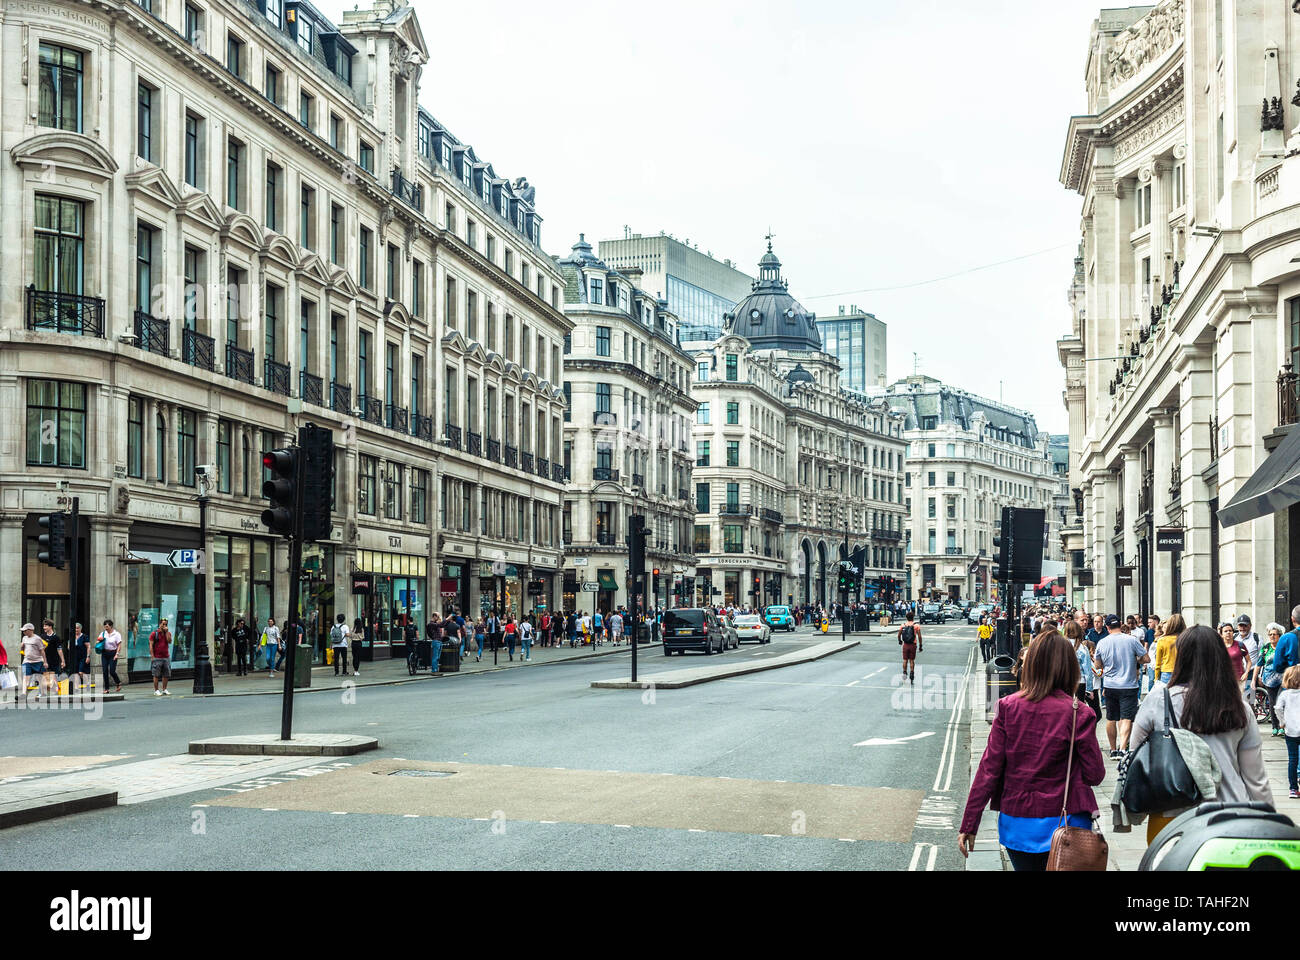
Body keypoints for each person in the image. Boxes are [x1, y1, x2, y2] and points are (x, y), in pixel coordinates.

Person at [959, 631, 1105, 871]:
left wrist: (969, 823)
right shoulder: (1079, 713)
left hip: (1018, 823)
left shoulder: (1007, 707)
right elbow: (1095, 775)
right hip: (1068, 822)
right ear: (1069, 668)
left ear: (1032, 665)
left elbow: (989, 769)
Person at [1129, 625, 1273, 842]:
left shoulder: (1158, 701)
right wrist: (1269, 824)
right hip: (1231, 815)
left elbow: (1134, 754)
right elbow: (1255, 778)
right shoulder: (1239, 707)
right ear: (1220, 658)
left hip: (1172, 818)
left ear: (1181, 656)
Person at [1093, 613, 1149, 758]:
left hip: (1110, 685)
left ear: (1107, 627)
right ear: (1120, 624)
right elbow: (1146, 658)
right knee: (1126, 718)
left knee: (1111, 718)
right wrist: (1133, 660)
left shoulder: (1102, 643)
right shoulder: (1132, 640)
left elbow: (1098, 665)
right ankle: (1123, 748)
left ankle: (1112, 750)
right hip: (1129, 685)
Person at [1274, 666, 1300, 799]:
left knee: (1292, 759)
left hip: (1291, 731)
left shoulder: (1284, 694)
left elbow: (1277, 708)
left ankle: (1293, 789)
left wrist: (1282, 722)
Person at [1257, 623, 1285, 737]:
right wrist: (1256, 678)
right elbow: (1259, 664)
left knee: (1280, 703)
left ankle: (1282, 727)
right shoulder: (1266, 648)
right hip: (1269, 680)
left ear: (1279, 635)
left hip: (1282, 679)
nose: (1272, 636)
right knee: (1273, 704)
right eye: (1270, 634)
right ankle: (1274, 727)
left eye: (1274, 634)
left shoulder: (1283, 647)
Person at [1064, 619, 1096, 716]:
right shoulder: (1082, 648)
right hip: (1080, 682)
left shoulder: (1060, 646)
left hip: (1064, 681)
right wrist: (1090, 689)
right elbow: (1087, 671)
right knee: (1079, 711)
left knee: (1065, 709)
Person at [1152, 613, 1185, 685]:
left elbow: (1158, 663)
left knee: (1167, 695)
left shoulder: (1162, 640)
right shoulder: (1186, 639)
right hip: (1183, 672)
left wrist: (1156, 679)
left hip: (1166, 672)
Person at [20, 623, 47, 700]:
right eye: (23, 631)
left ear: (30, 630)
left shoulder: (37, 639)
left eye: (25, 631)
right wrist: (22, 647)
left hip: (37, 661)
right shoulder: (24, 638)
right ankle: (23, 694)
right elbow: (22, 649)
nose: (24, 632)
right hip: (27, 661)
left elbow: (42, 651)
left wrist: (45, 662)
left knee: (39, 678)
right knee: (26, 678)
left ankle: (42, 692)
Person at [1219, 621, 1251, 685]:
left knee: (1242, 695)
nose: (1228, 632)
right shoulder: (1218, 646)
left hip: (1239, 680)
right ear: (1221, 634)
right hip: (1223, 681)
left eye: (1230, 630)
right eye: (1225, 631)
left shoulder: (1240, 645)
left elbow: (1249, 661)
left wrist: (1246, 673)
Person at [40, 619, 64, 697]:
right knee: (45, 676)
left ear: (50, 627)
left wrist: (63, 661)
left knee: (54, 676)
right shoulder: (42, 636)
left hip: (54, 660)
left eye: (46, 626)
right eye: (44, 626)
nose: (44, 627)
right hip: (44, 660)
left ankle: (56, 691)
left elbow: (59, 650)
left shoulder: (56, 637)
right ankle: (44, 692)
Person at [149, 617, 172, 696]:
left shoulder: (168, 633)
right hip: (157, 657)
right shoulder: (154, 633)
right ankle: (156, 690)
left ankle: (164, 689)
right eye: (163, 624)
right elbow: (151, 645)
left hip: (166, 656)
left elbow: (169, 641)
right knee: (156, 674)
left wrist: (166, 632)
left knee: (166, 674)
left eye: (166, 624)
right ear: (159, 624)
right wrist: (152, 656)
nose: (164, 626)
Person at [897, 612, 921, 684]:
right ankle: (912, 673)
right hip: (913, 645)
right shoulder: (916, 626)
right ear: (913, 617)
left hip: (906, 644)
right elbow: (919, 636)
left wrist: (900, 641)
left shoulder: (903, 625)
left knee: (905, 660)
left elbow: (899, 635)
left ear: (906, 618)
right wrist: (921, 645)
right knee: (911, 660)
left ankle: (904, 673)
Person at [99, 619, 123, 692]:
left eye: (107, 626)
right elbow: (98, 641)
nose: (106, 627)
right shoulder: (103, 633)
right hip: (104, 653)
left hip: (113, 653)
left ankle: (118, 682)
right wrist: (99, 640)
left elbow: (119, 645)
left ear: (111, 626)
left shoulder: (116, 634)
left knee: (112, 671)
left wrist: (117, 654)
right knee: (105, 671)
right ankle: (106, 688)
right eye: (105, 626)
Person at [69, 622, 91, 691]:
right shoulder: (71, 636)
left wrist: (88, 656)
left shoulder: (84, 636)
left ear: (80, 629)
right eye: (75, 628)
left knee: (80, 672)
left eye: (77, 628)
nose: (76, 630)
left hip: (83, 656)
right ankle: (76, 687)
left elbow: (88, 646)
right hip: (74, 657)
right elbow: (68, 647)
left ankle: (87, 683)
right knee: (75, 672)